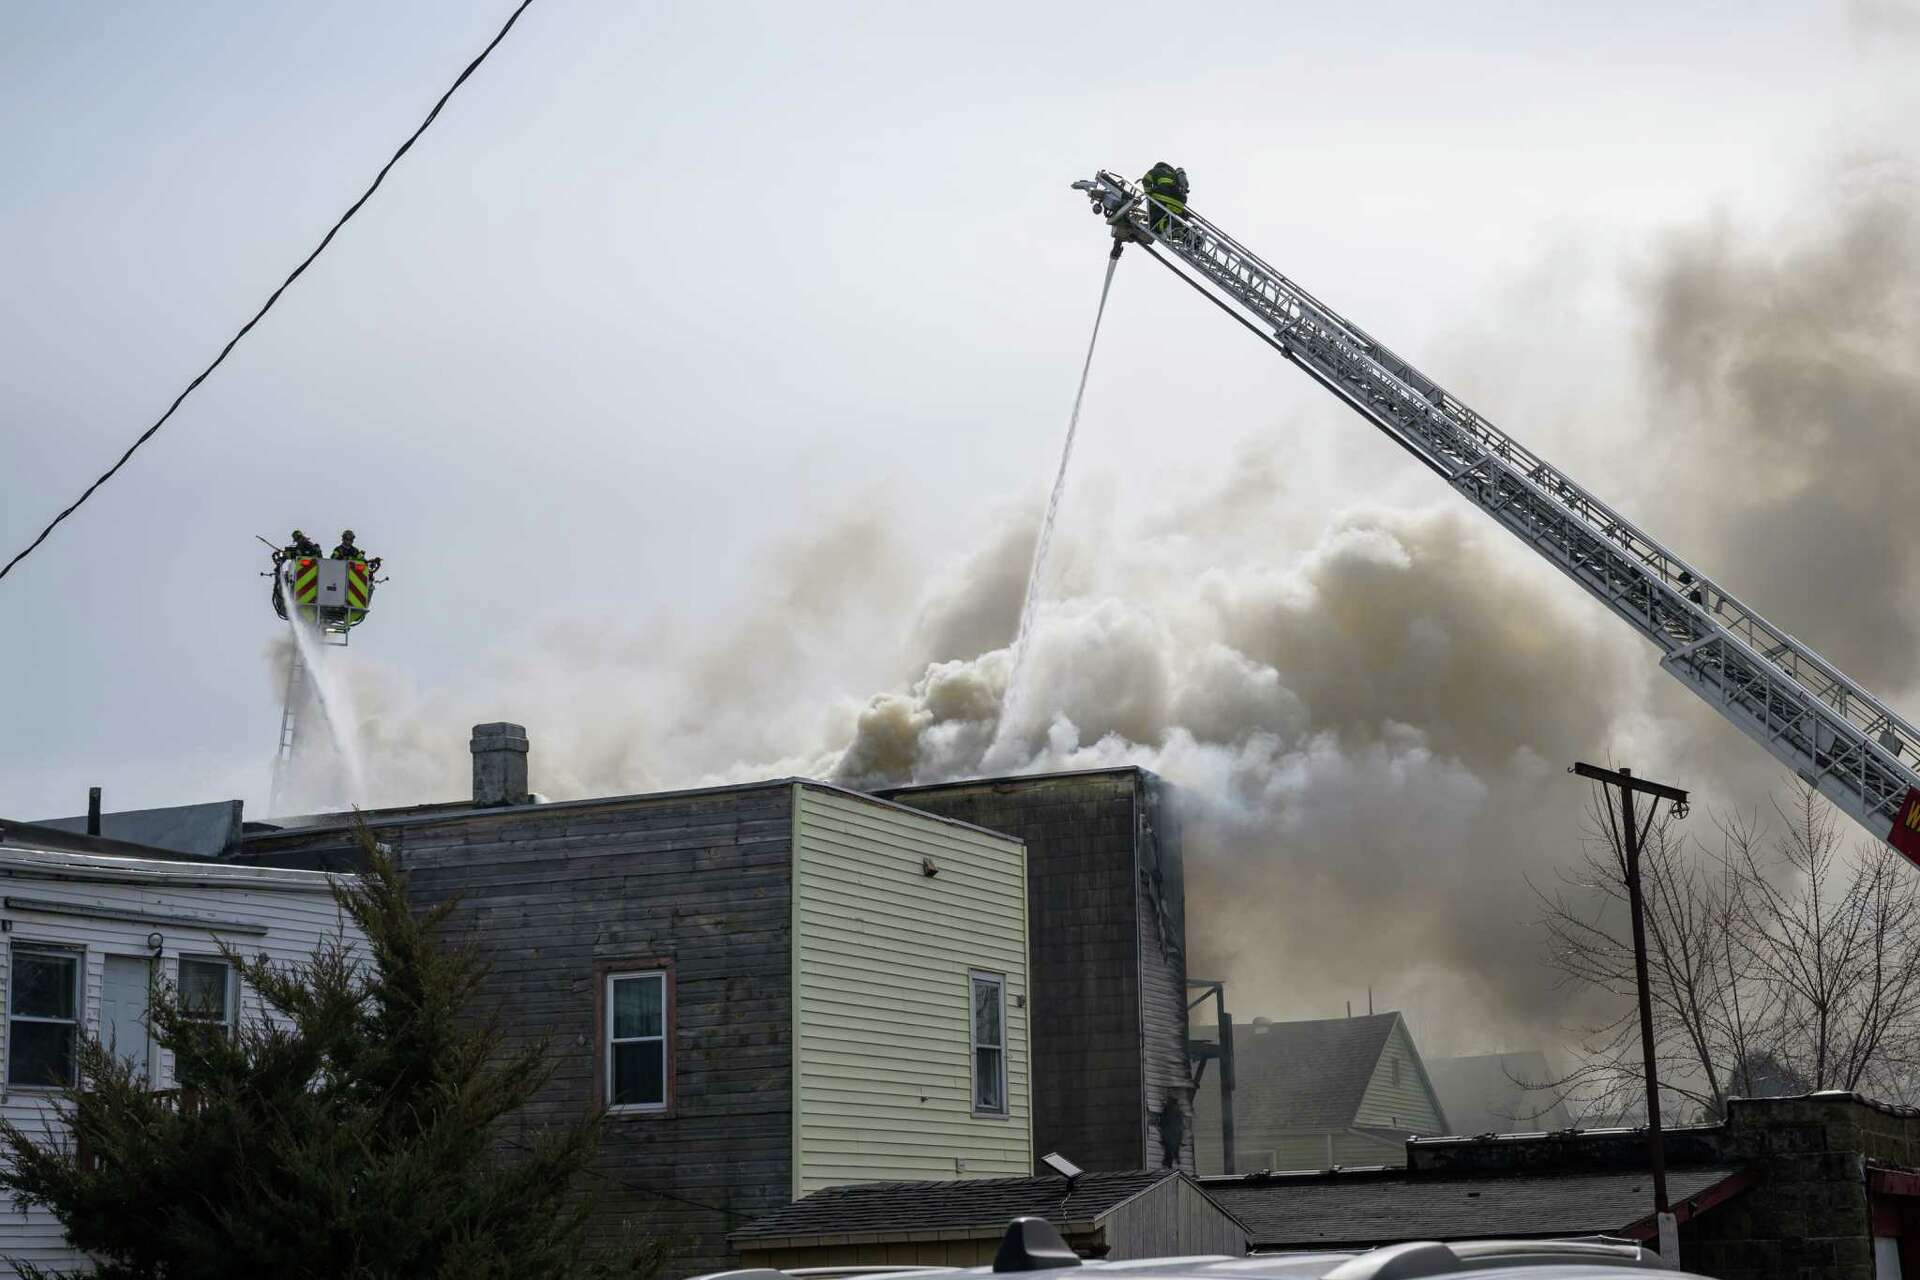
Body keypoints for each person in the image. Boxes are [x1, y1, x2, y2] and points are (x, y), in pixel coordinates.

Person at [1140, 161, 1190, 236]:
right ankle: (1186, 233)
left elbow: (1146, 180)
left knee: (1154, 224)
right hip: (1178, 204)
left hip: (1163, 201)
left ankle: (1169, 225)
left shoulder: (1157, 170)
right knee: (1167, 219)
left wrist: (1148, 194)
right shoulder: (1175, 176)